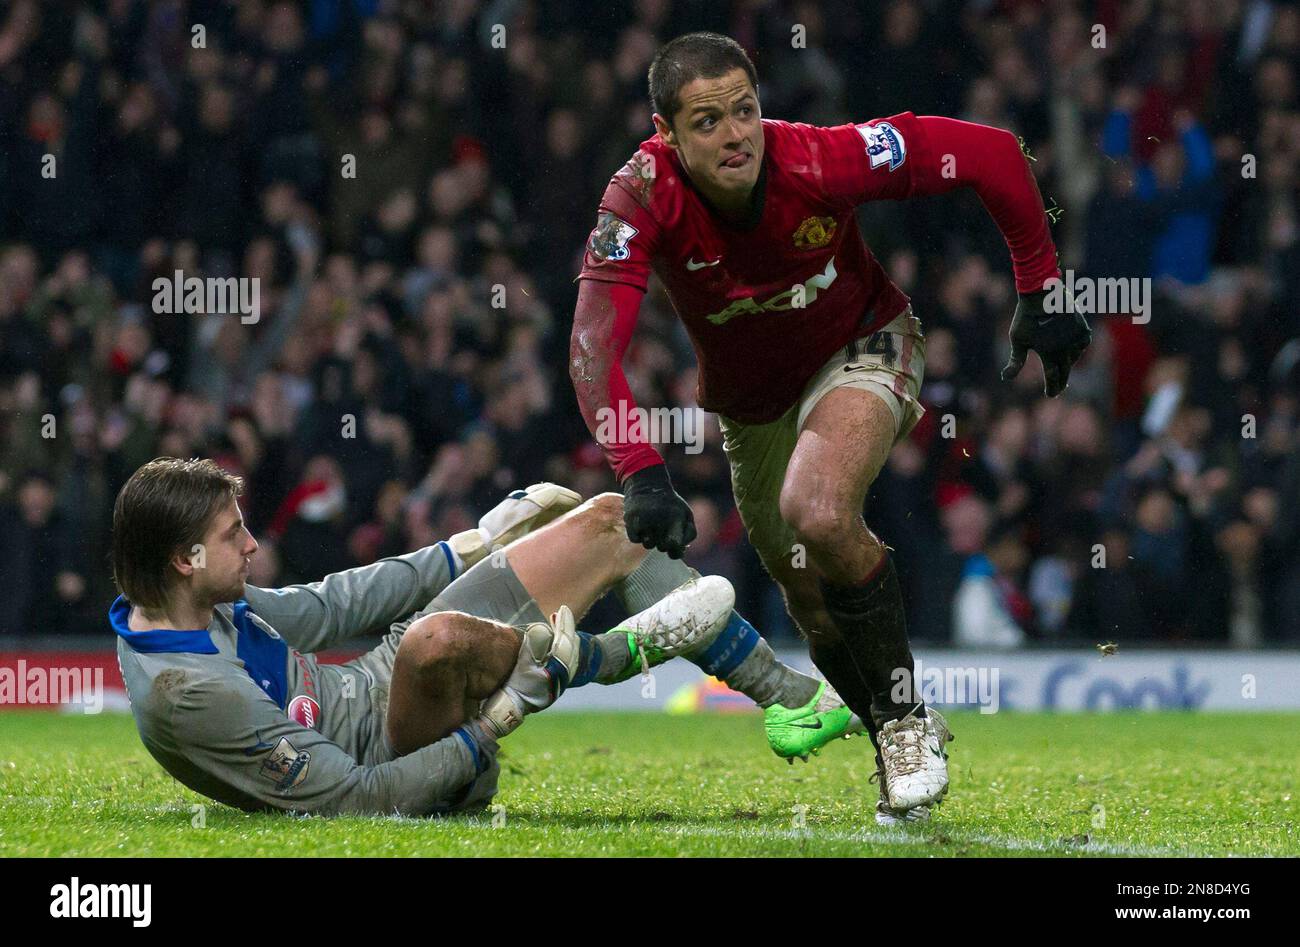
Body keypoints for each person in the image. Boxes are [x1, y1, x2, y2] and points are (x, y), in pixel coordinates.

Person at [570, 32, 1091, 822]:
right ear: (666, 134)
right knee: (812, 602)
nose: (735, 133)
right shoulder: (637, 197)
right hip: (751, 409)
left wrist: (1042, 285)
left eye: (744, 109)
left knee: (816, 505)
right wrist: (639, 467)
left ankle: (907, 719)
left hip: (868, 344)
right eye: (707, 122)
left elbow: (990, 154)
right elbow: (591, 344)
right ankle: (894, 730)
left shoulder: (822, 157)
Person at [109, 458, 739, 817]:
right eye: (232, 535)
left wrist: (465, 549)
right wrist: (495, 723)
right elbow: (356, 796)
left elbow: (330, 607)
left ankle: (793, 698)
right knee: (432, 642)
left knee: (609, 518)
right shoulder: (187, 692)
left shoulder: (186, 602)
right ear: (184, 559)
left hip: (381, 674)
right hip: (393, 756)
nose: (252, 544)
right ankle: (616, 654)